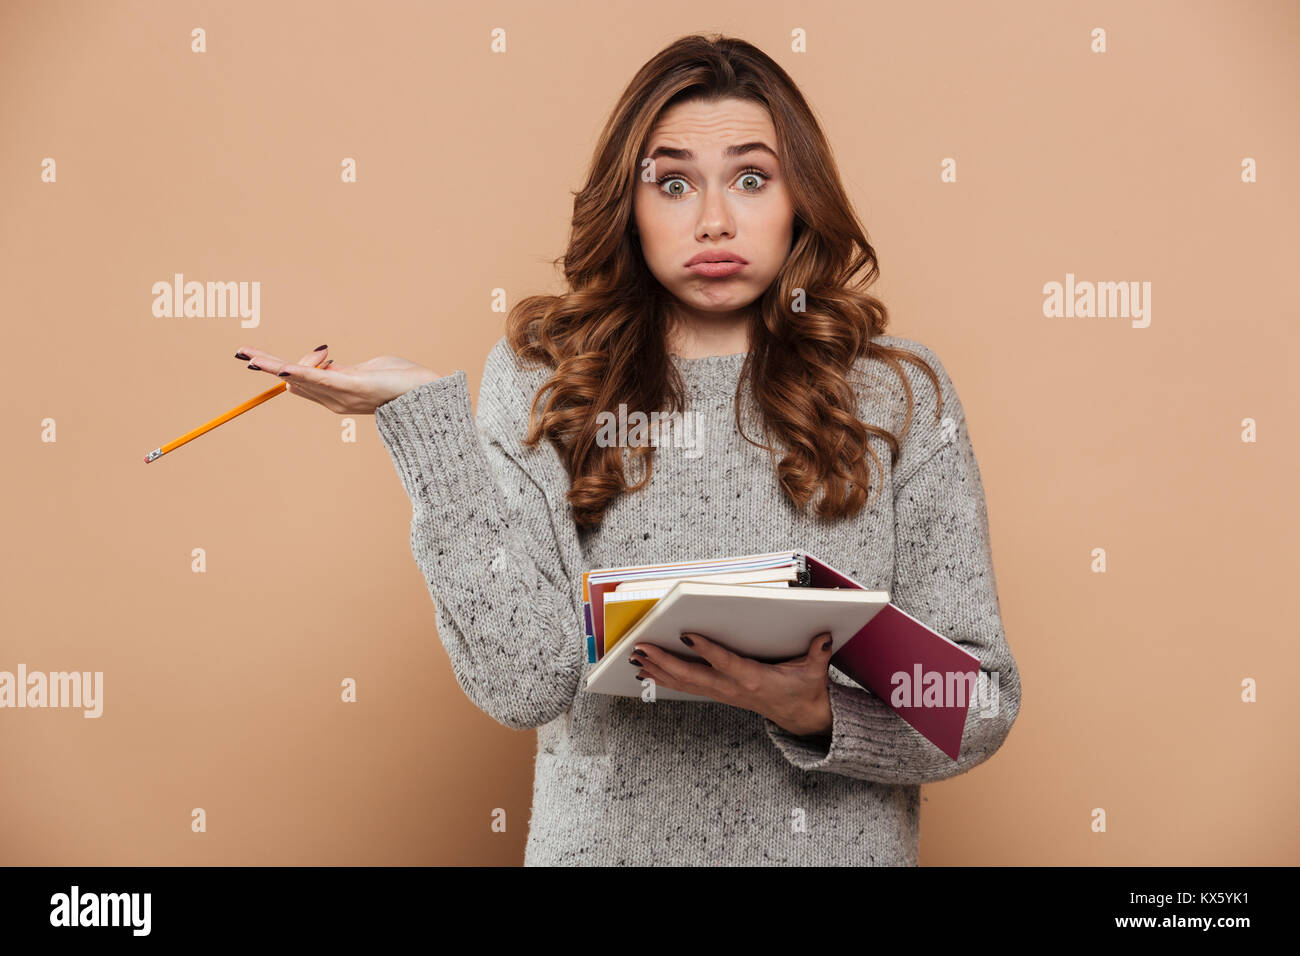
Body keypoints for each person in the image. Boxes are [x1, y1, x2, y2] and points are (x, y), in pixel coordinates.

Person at [233, 33, 1022, 866]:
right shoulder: (548, 376)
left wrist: (816, 709)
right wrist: (429, 430)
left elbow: (978, 703)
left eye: (752, 178)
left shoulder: (892, 393)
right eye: (673, 183)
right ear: (630, 204)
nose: (714, 220)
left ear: (801, 198)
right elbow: (522, 680)